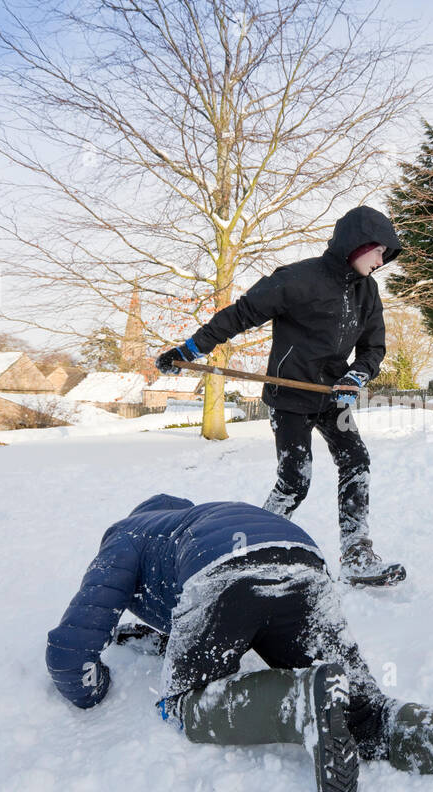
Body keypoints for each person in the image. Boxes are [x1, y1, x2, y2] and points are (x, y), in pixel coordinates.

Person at [45, 494, 433, 792]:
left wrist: (92, 686)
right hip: (304, 563)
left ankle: (303, 702)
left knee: (186, 706)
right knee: (374, 718)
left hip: (223, 576)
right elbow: (218, 622)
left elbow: (70, 649)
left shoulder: (125, 535)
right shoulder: (197, 520)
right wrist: (160, 638)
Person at [155, 206, 405, 587]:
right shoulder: (296, 279)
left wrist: (358, 375)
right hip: (290, 396)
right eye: (379, 251)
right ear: (360, 244)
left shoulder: (367, 291)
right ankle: (252, 551)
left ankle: (356, 556)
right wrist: (189, 350)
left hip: (334, 397)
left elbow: (374, 347)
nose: (381, 261)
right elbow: (239, 315)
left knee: (356, 461)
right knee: (295, 480)